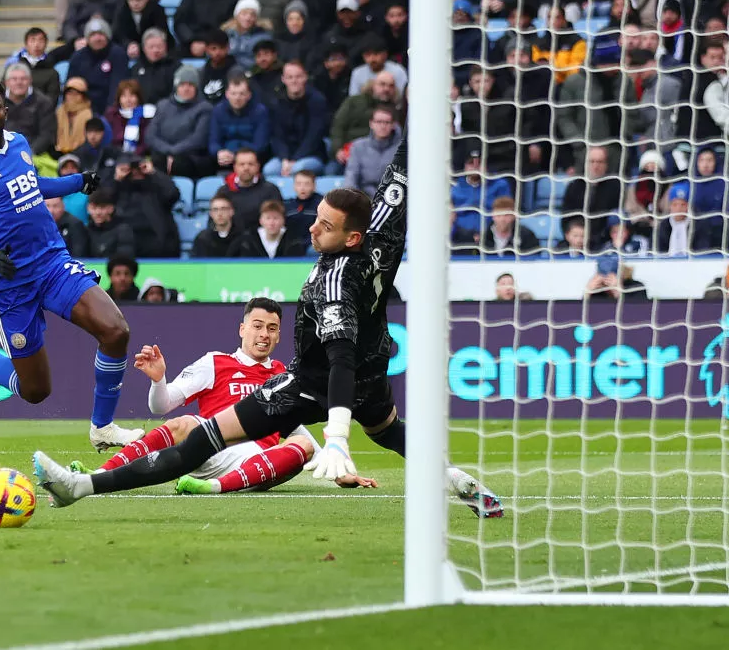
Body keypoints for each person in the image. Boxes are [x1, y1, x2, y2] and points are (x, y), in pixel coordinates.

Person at [32, 139, 504, 518]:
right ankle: (458, 481)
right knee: (390, 432)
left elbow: (337, 361)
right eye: (317, 217)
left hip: (315, 382)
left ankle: (82, 486)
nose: (314, 229)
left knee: (199, 440)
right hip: (373, 371)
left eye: (326, 226)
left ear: (350, 239)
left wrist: (337, 436)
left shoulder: (335, 280)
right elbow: (400, 174)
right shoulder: (382, 231)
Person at [0, 76, 143, 451]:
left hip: (51, 263)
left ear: (5, 111)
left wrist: (76, 182)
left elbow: (33, 183)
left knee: (116, 331)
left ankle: (103, 427)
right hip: (11, 286)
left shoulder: (20, 144)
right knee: (35, 390)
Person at [71, 299, 372, 495]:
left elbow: (296, 428)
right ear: (242, 329)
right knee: (186, 422)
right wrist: (159, 379)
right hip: (209, 449)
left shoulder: (285, 374)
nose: (264, 335)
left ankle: (211, 488)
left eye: (272, 329)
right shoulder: (214, 362)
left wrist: (338, 472)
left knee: (303, 444)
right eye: (257, 326)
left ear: (279, 336)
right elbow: (160, 406)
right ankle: (100, 473)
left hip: (257, 462)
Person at [146, 65, 213, 179]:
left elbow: (198, 139)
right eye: (182, 85)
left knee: (180, 164)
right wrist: (167, 151)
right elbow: (150, 135)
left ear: (196, 87)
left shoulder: (205, 108)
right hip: (162, 155)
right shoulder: (163, 105)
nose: (186, 88)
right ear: (176, 86)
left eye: (190, 85)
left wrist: (174, 151)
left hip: (190, 158)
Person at [108, 152, 180, 258]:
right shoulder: (119, 190)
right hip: (125, 245)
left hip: (158, 244)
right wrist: (117, 180)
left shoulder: (156, 188)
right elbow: (102, 203)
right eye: (132, 168)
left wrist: (154, 173)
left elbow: (173, 194)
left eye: (139, 167)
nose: (136, 171)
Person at [264, 60, 328, 177]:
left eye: (298, 77)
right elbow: (277, 136)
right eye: (290, 77)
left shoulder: (317, 101)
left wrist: (294, 160)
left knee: (298, 169)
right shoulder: (278, 102)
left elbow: (313, 136)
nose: (294, 81)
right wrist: (284, 159)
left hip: (311, 154)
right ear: (283, 79)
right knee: (269, 170)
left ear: (305, 77)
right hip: (285, 157)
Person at [173, 0, 242, 58]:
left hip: (223, 47)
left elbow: (234, 25)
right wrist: (191, 41)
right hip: (193, 43)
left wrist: (216, 45)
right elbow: (180, 22)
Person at [67, 18, 129, 115]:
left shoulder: (118, 54)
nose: (97, 38)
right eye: (93, 35)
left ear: (107, 36)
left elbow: (117, 86)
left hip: (110, 108)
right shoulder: (77, 57)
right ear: (87, 38)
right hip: (83, 108)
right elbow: (73, 87)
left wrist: (110, 112)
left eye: (101, 34)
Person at [209, 75, 270, 169]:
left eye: (241, 94)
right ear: (227, 94)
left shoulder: (260, 112)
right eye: (233, 94)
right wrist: (219, 152)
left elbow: (260, 145)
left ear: (249, 95)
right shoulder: (218, 111)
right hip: (224, 159)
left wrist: (236, 155)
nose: (237, 98)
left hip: (251, 160)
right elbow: (213, 141)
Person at [215, 147, 282, 230]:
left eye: (250, 164)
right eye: (242, 164)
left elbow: (278, 220)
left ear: (258, 166)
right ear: (235, 167)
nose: (246, 168)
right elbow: (214, 221)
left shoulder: (270, 190)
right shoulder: (224, 192)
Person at [343, 105, 402, 196]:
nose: (382, 126)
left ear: (393, 125)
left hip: (394, 197)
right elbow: (351, 175)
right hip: (364, 198)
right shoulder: (358, 146)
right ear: (371, 123)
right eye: (378, 122)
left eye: (387, 122)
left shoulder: (403, 149)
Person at [0, 63, 56, 156]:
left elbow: (46, 135)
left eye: (23, 79)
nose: (19, 82)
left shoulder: (44, 102)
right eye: (14, 79)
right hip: (2, 152)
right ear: (7, 82)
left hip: (34, 154)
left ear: (30, 80)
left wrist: (29, 153)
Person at [109, 0, 173, 60]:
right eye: (132, 0)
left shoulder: (157, 10)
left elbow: (161, 31)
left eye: (139, 0)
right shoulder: (121, 10)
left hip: (154, 48)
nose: (135, 3)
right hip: (128, 49)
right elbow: (118, 32)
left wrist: (143, 47)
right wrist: (129, 44)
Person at [227, 198, 307, 258]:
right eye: (268, 218)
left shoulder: (293, 240)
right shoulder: (248, 239)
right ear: (261, 220)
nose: (271, 223)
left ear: (283, 221)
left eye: (276, 218)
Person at [4, 27, 62, 106]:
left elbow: (52, 100)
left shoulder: (52, 73)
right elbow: (3, 91)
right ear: (26, 44)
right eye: (33, 40)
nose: (36, 44)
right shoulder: (14, 67)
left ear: (46, 44)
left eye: (40, 41)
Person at [103, 79, 154, 156]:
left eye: (132, 95)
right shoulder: (111, 115)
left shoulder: (147, 115)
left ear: (138, 97)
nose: (128, 100)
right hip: (115, 156)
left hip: (140, 157)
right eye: (124, 96)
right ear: (119, 98)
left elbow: (148, 142)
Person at [129, 28, 178, 105]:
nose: (155, 50)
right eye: (151, 47)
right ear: (144, 48)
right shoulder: (135, 69)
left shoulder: (175, 67)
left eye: (159, 46)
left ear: (165, 47)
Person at [224, 0, 273, 70]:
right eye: (244, 14)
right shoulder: (227, 34)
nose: (248, 18)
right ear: (237, 15)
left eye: (252, 15)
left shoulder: (263, 37)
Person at [190, 191, 238, 258]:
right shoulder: (202, 239)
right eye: (215, 210)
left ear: (231, 211)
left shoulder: (242, 238)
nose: (219, 214)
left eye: (223, 209)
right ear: (211, 213)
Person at [55, 76, 94, 155]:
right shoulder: (59, 112)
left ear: (83, 96)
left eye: (76, 94)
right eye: (69, 93)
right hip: (58, 152)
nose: (72, 96)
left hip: (82, 154)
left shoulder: (89, 115)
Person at [284, 169, 322, 241]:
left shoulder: (322, 204)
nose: (302, 188)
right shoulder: (287, 205)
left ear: (314, 186)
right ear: (294, 186)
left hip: (315, 244)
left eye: (307, 184)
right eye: (298, 184)